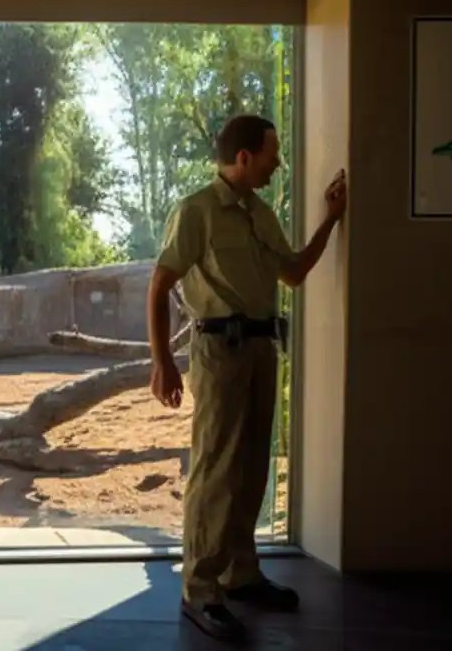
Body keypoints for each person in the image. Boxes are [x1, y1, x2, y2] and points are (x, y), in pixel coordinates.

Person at [146, 115, 346, 642]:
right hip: (218, 351)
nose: (277, 164)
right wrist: (162, 359)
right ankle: (200, 591)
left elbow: (294, 271)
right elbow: (161, 281)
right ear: (243, 158)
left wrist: (330, 218)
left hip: (261, 348)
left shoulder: (260, 213)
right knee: (215, 468)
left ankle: (240, 573)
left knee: (253, 464)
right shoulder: (197, 211)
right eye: (271, 154)